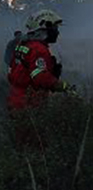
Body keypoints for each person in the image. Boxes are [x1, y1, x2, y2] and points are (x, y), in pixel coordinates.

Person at [6, 11, 73, 148]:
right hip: (30, 103)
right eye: (55, 28)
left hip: (16, 100)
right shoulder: (39, 49)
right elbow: (40, 77)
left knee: (21, 143)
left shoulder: (23, 45)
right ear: (44, 27)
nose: (57, 32)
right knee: (35, 144)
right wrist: (62, 86)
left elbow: (14, 69)